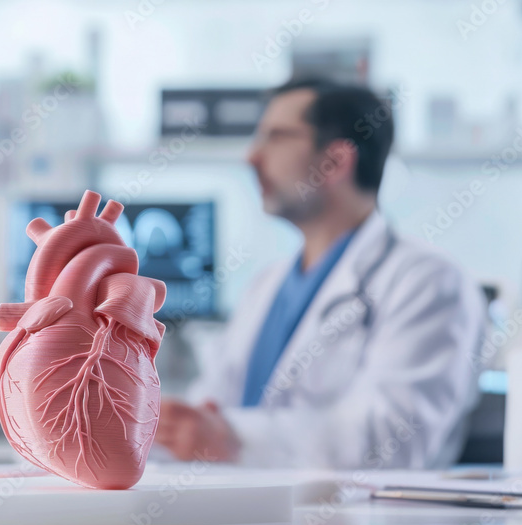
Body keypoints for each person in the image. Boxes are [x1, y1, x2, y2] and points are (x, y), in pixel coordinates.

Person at [155, 79, 486, 469]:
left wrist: (234, 438)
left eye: (276, 138)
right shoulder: (267, 285)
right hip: (238, 501)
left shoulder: (428, 282)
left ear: (336, 162)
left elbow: (393, 440)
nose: (252, 157)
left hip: (353, 510)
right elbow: (210, 404)